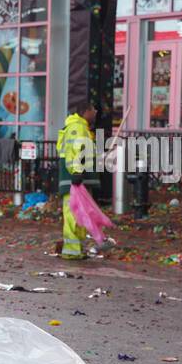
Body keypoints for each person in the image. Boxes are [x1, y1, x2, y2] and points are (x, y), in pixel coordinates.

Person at [55, 102, 100, 260]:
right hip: (74, 180)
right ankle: (72, 251)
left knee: (80, 215)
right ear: (85, 111)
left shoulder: (81, 128)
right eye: (93, 109)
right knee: (74, 216)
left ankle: (77, 250)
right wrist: (76, 172)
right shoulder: (78, 128)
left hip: (77, 180)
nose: (95, 111)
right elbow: (74, 151)